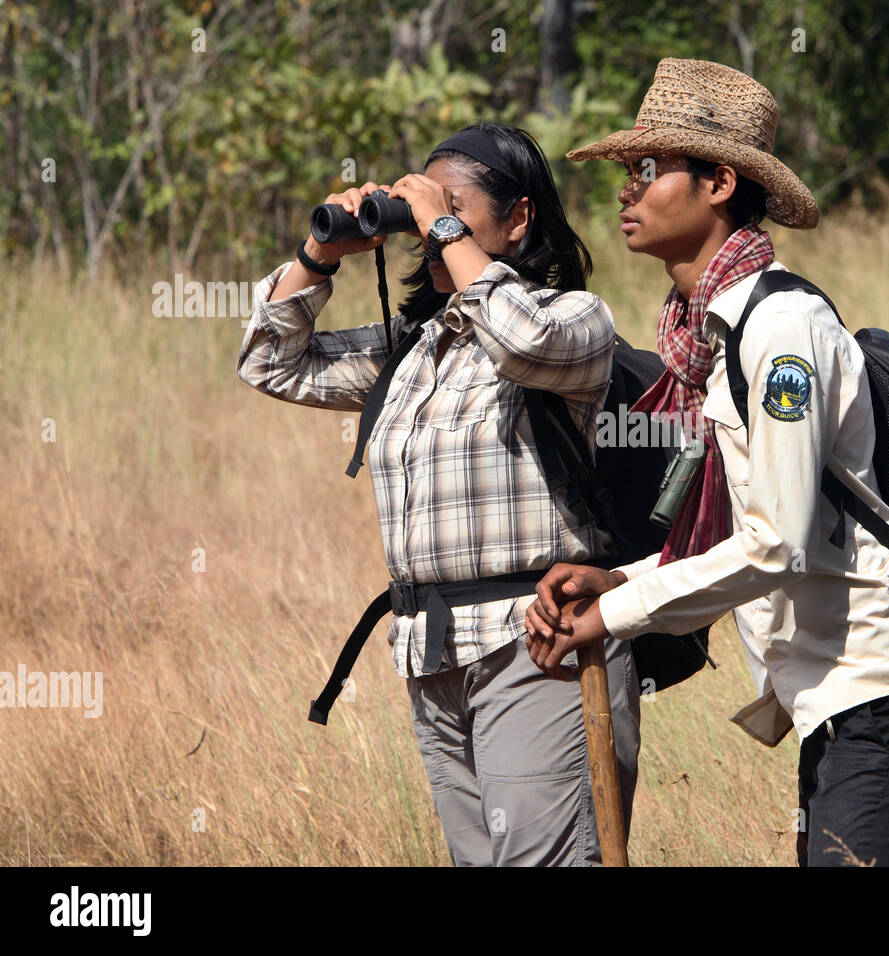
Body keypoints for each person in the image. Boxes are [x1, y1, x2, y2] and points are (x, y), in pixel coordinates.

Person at [523, 59, 889, 867]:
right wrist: (623, 580)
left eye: (647, 169)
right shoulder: (712, 336)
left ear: (718, 183)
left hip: (877, 694)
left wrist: (618, 616)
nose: (625, 192)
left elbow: (779, 544)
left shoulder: (780, 333)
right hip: (829, 700)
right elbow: (746, 527)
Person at [237, 122, 638, 866]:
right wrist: (319, 255)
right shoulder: (414, 348)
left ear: (518, 218)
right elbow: (272, 364)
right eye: (422, 211)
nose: (427, 228)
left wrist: (440, 221)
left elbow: (520, 341)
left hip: (540, 644)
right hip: (431, 650)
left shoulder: (576, 320)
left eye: (451, 209)